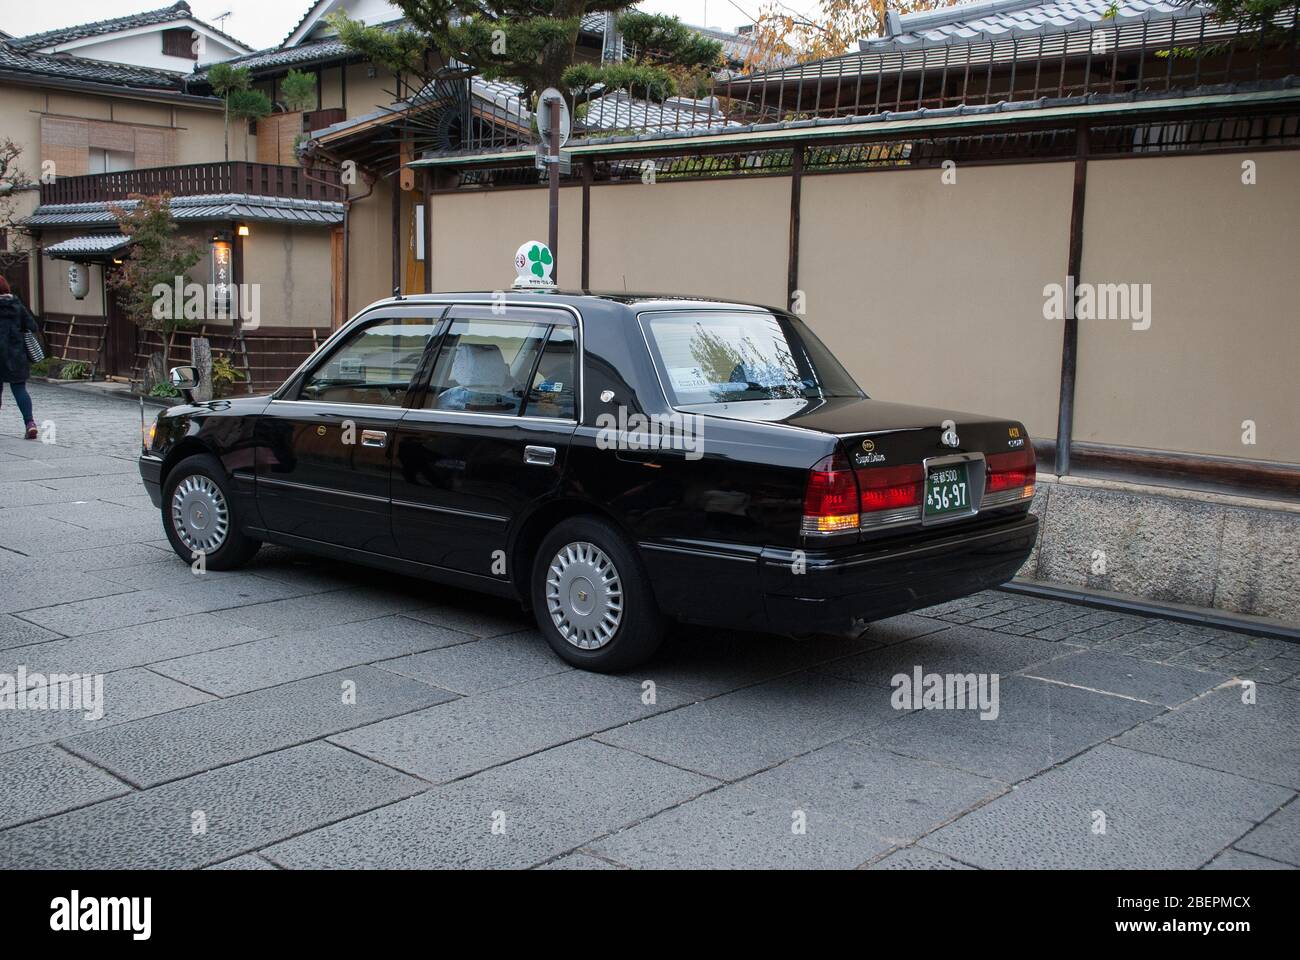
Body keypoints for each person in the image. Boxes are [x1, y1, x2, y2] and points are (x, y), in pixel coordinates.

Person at [0, 275, 40, 439]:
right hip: (16, 354)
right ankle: (30, 423)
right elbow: (32, 326)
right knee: (19, 389)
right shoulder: (16, 305)